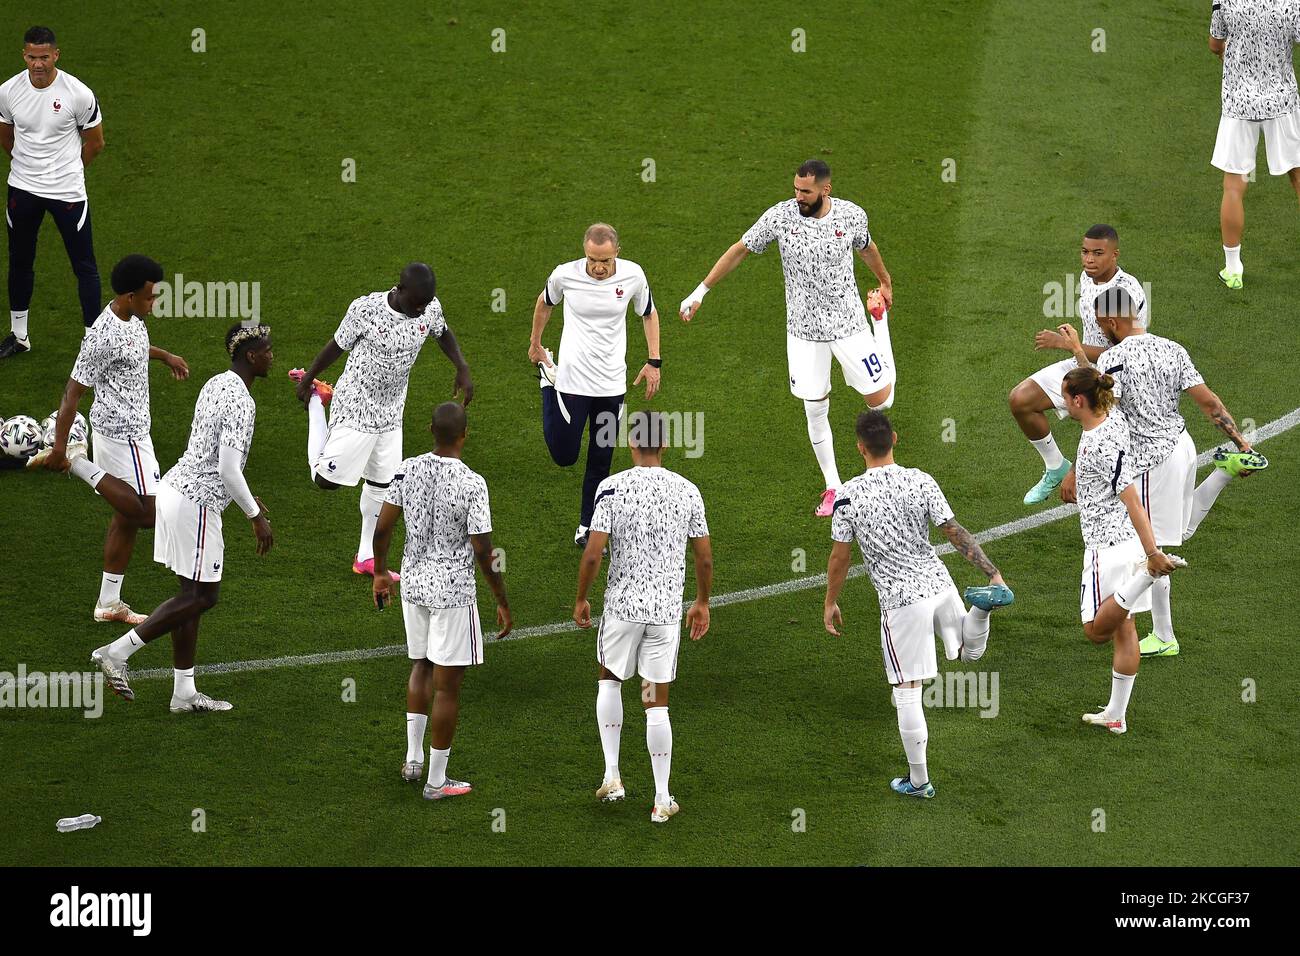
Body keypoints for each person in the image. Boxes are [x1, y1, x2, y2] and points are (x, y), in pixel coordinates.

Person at [1057, 287, 1266, 658]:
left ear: (1110, 321)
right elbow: (1209, 402)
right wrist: (1242, 443)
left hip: (1150, 461)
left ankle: (1164, 635)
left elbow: (1101, 414)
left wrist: (1075, 469)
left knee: (1151, 546)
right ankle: (1224, 471)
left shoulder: (1115, 358)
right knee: (1172, 532)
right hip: (1183, 448)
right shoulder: (1173, 348)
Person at [679, 159, 895, 517]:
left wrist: (885, 282)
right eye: (795, 189)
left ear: (826, 190)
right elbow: (741, 249)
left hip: (850, 326)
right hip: (804, 333)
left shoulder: (851, 216)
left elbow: (867, 247)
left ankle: (880, 325)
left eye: (806, 191)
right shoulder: (780, 217)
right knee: (814, 406)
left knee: (880, 401)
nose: (798, 196)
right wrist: (701, 290)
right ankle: (834, 487)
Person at [824, 410, 1013, 799]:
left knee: (906, 689)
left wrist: (830, 601)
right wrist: (992, 572)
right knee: (967, 655)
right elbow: (953, 532)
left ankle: (919, 781)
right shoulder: (920, 480)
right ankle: (980, 609)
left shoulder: (846, 495)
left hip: (901, 600)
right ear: (895, 438)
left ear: (860, 447)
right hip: (939, 582)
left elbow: (840, 558)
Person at [87, 324, 274, 712]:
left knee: (190, 596)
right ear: (251, 356)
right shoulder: (243, 401)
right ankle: (117, 652)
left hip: (174, 490)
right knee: (204, 596)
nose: (272, 355)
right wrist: (254, 515)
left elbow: (210, 453)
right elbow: (226, 468)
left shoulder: (216, 383)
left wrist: (241, 493)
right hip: (197, 506)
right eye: (268, 350)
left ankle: (184, 692)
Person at [34, 254, 189, 624]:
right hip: (124, 436)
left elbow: (132, 350)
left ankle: (108, 603)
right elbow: (72, 393)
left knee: (127, 517)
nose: (154, 303)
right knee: (148, 513)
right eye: (149, 297)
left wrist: (163, 355)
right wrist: (58, 449)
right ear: (129, 295)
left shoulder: (132, 318)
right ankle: (77, 462)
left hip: (133, 432)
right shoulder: (102, 335)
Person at [292, 262, 473, 578]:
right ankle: (318, 404)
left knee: (383, 486)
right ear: (399, 290)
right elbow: (337, 346)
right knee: (325, 480)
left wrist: (462, 366)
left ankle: (366, 557)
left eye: (425, 304)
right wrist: (309, 378)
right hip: (357, 406)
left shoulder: (428, 307)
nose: (420, 311)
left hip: (391, 412)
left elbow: (442, 333)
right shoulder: (367, 310)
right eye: (416, 303)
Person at [573, 411, 712, 824]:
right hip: (665, 614)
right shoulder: (688, 491)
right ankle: (661, 799)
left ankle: (612, 775)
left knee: (609, 680)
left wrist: (581, 597)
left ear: (630, 445)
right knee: (655, 704)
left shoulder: (611, 488)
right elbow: (703, 556)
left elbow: (594, 552)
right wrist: (701, 602)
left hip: (621, 609)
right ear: (664, 445)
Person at [373, 402, 510, 800]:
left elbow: (383, 527)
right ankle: (435, 780)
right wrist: (501, 599)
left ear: (430, 429)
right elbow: (484, 550)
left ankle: (413, 759)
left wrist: (381, 572)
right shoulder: (472, 483)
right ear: (464, 435)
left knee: (421, 665)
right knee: (448, 688)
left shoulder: (408, 469)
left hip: (413, 583)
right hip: (452, 592)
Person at [1060, 366, 1182, 735]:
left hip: (1106, 548)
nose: (1062, 403)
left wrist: (1152, 554)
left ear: (1080, 401)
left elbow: (1132, 500)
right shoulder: (1110, 416)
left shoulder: (1097, 443)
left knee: (1096, 631)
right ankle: (1116, 714)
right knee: (1125, 627)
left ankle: (1148, 574)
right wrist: (1078, 354)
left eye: (1066, 397)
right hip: (1124, 542)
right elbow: (1097, 379)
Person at [530, 223, 660, 547]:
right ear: (584, 252)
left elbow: (648, 313)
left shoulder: (633, 276)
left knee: (601, 458)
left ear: (617, 251)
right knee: (564, 455)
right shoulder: (565, 275)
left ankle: (588, 526)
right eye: (592, 260)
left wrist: (654, 360)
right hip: (572, 380)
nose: (598, 268)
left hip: (612, 385)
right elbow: (545, 302)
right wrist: (535, 343)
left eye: (604, 260)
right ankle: (549, 382)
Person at [1008, 224, 1147, 505]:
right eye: (1085, 252)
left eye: (1098, 253)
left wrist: (1067, 345)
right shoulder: (1087, 278)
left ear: (1115, 255)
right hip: (1083, 362)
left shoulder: (1123, 292)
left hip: (1118, 376)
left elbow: (1125, 352)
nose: (1089, 260)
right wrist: (1075, 350)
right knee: (1021, 399)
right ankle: (1055, 467)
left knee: (1108, 451)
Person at [0, 25, 105, 357]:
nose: (38, 64)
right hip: (23, 189)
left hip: (67, 192)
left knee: (84, 265)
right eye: (32, 57)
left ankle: (93, 343)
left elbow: (96, 143)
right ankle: (19, 336)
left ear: (55, 55)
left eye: (44, 57)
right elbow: (5, 134)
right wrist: (29, 168)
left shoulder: (78, 93)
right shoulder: (8, 91)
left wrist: (67, 170)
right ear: (24, 55)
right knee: (19, 261)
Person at [1208, 0, 1300, 289]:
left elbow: (1214, 44)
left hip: (1238, 104)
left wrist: (1235, 62)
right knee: (1298, 176)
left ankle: (1233, 269)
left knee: (1234, 185)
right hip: (1283, 101)